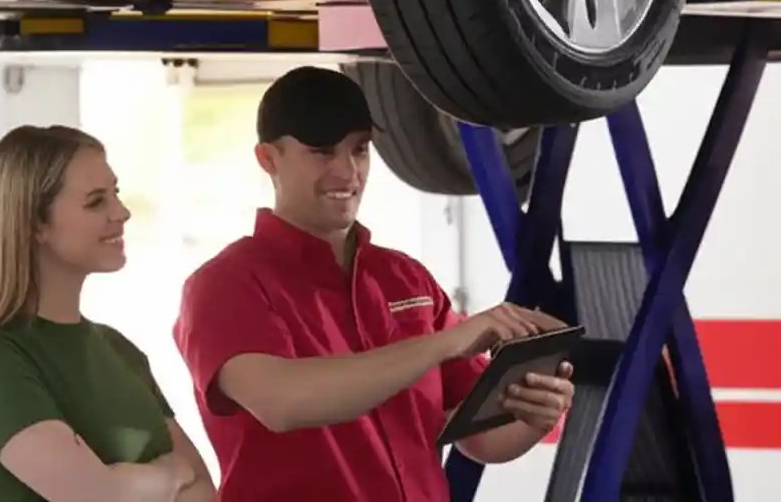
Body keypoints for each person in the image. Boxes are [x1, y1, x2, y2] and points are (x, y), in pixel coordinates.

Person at [172, 66, 575, 502]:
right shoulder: (224, 285)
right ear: (268, 159)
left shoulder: (405, 278)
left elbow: (477, 440)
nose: (348, 172)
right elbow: (283, 403)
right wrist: (443, 343)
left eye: (359, 149)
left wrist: (533, 415)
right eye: (322, 152)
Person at [0, 124, 217, 502]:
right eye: (96, 201)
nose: (122, 212)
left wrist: (125, 483)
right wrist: (167, 477)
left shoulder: (118, 349)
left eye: (115, 193)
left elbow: (204, 490)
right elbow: (94, 497)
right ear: (36, 223)